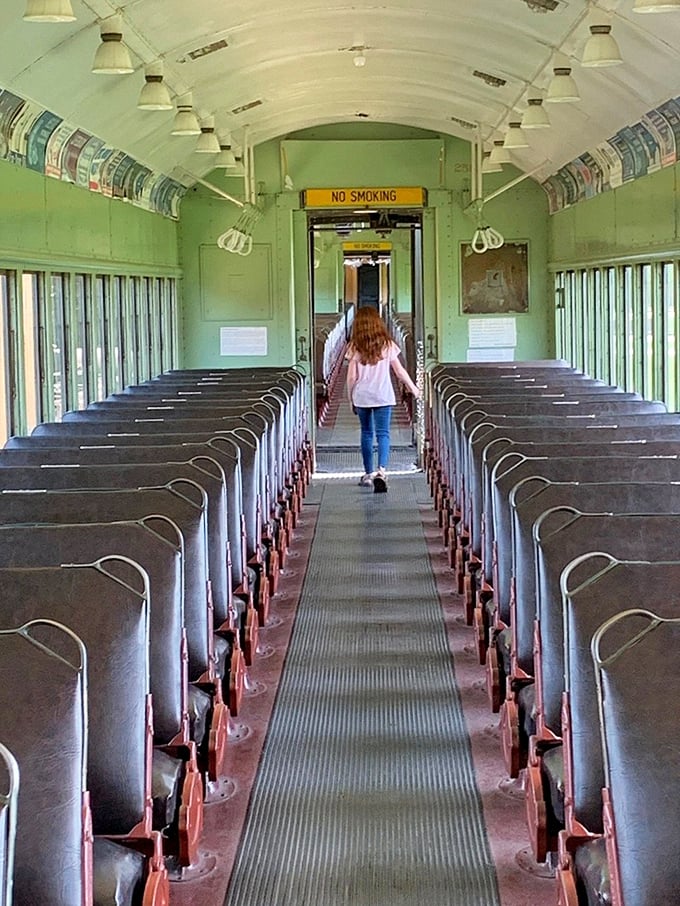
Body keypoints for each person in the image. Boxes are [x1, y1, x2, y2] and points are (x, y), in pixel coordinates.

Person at [345, 306, 421, 493]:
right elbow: (399, 371)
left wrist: (350, 398)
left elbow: (351, 377)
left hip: (362, 396)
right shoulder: (387, 345)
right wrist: (414, 389)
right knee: (383, 434)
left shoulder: (355, 346)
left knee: (366, 433)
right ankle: (382, 471)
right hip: (383, 395)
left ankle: (368, 473)